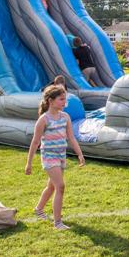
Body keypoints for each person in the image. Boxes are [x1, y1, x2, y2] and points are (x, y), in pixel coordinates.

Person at [24, 83, 85, 230]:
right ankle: (58, 223)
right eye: (61, 99)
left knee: (51, 187)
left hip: (61, 156)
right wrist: (29, 163)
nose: (65, 103)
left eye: (65, 99)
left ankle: (38, 209)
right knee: (60, 186)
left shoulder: (65, 117)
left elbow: (71, 137)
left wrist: (80, 154)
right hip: (49, 157)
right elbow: (35, 142)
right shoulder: (43, 120)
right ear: (51, 101)